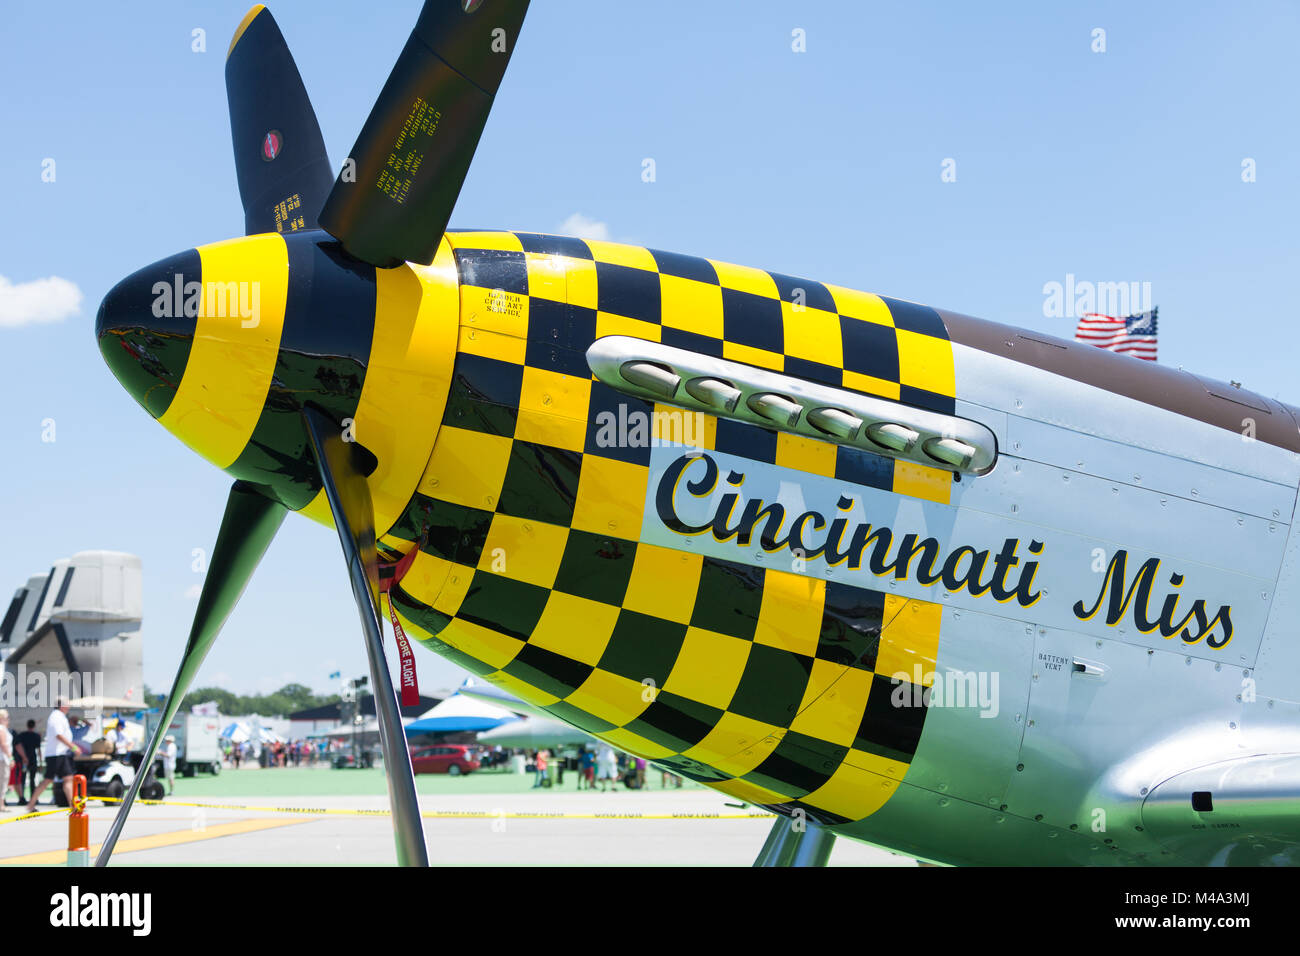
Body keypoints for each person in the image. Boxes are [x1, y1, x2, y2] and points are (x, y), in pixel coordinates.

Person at [23, 701, 81, 812]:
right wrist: (73, 747)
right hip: (55, 754)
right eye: (67, 704)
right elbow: (58, 735)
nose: (69, 706)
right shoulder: (56, 717)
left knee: (68, 779)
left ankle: (73, 806)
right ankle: (30, 805)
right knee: (48, 780)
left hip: (61, 754)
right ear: (62, 705)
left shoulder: (60, 716)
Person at [13, 719, 40, 804]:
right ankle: (33, 798)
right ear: (34, 726)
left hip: (24, 760)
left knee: (22, 779)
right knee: (32, 779)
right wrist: (41, 759)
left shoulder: (22, 735)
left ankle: (22, 797)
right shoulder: (36, 736)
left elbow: (18, 746)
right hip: (33, 760)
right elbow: (39, 749)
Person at [0, 710, 12, 809]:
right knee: (3, 781)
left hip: (2, 758)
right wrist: (10, 757)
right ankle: (1, 804)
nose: (8, 720)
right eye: (7, 717)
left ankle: (1, 803)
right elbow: (3, 744)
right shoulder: (1, 728)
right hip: (2, 759)